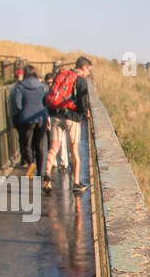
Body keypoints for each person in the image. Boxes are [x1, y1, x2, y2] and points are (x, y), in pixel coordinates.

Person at [44, 56, 93, 193]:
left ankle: (46, 176)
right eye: (88, 70)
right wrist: (85, 114)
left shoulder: (61, 75)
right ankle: (76, 183)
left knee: (53, 148)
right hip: (72, 118)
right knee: (74, 151)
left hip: (56, 115)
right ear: (83, 67)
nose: (88, 73)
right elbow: (83, 103)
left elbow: (50, 95)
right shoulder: (81, 81)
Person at [9, 66, 49, 178]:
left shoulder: (19, 87)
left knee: (26, 144)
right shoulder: (42, 86)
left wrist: (23, 112)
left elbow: (17, 104)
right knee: (39, 145)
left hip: (26, 119)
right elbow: (46, 101)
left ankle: (31, 163)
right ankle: (40, 172)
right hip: (41, 118)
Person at [44, 72, 68, 172]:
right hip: (57, 118)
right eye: (47, 83)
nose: (49, 85)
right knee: (58, 141)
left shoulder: (47, 93)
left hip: (55, 118)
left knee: (56, 141)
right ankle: (60, 162)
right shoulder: (61, 91)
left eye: (50, 83)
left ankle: (60, 162)